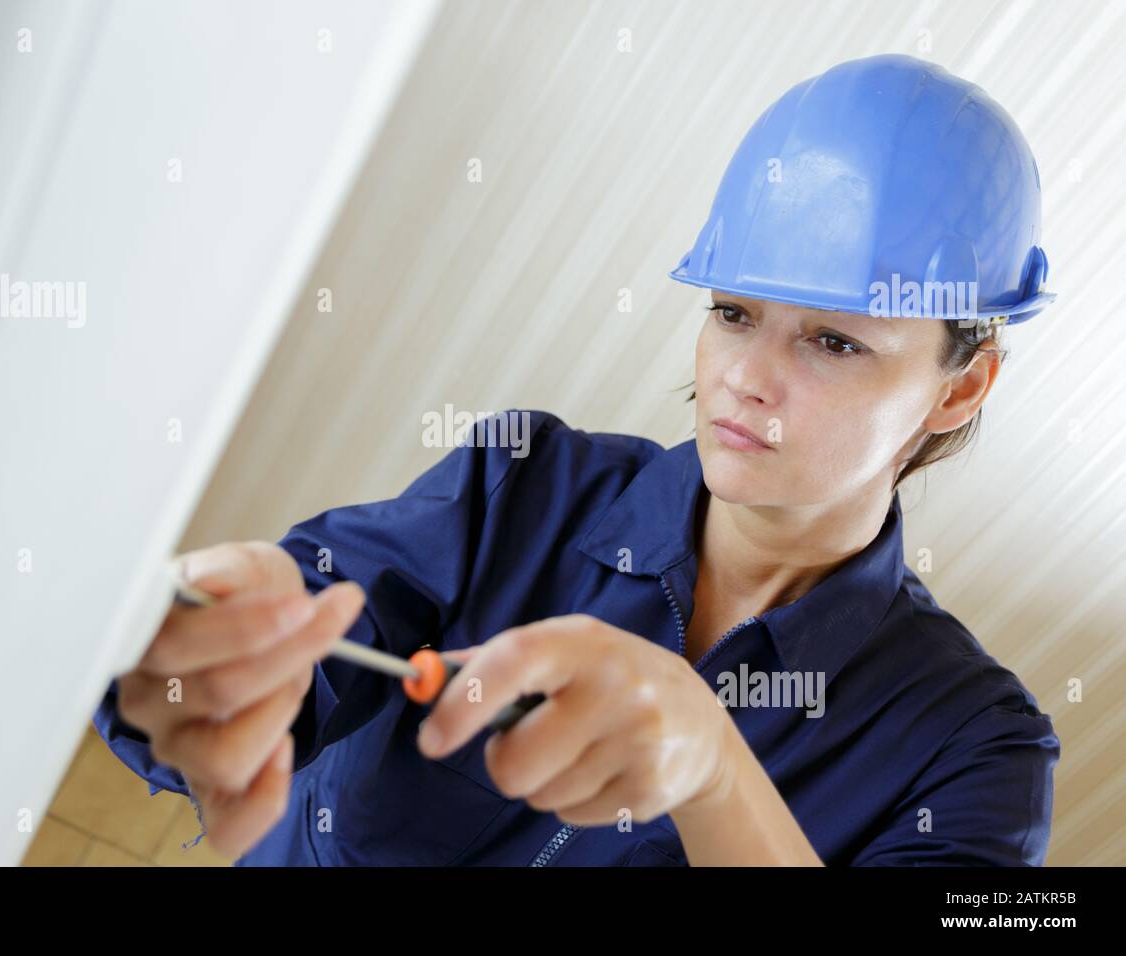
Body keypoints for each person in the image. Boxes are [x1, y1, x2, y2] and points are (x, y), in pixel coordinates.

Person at [93, 54, 1060, 866]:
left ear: (958, 387)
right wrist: (201, 667)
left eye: (833, 343)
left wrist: (715, 774)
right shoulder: (525, 484)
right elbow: (305, 622)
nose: (745, 380)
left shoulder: (979, 748)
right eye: (733, 315)